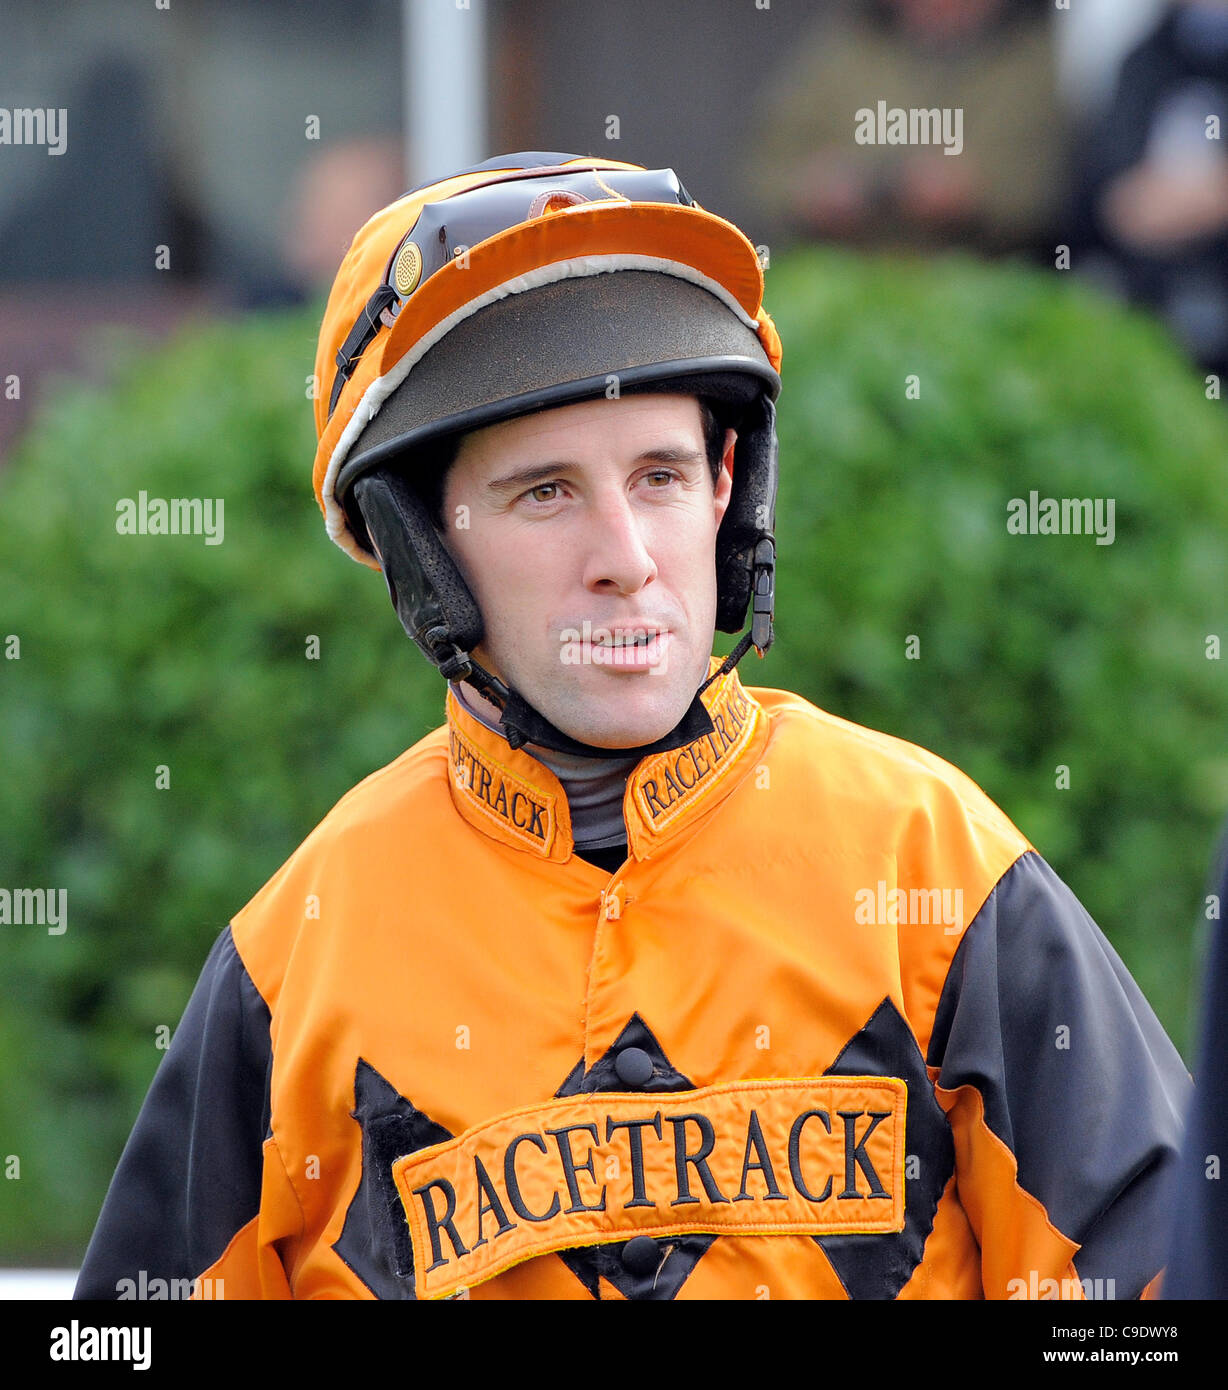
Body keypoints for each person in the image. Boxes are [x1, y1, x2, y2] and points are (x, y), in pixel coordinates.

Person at [75, 152, 1190, 1302]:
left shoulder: (936, 868)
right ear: (420, 545)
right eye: (544, 492)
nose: (626, 560)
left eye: (658, 475)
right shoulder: (297, 953)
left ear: (725, 490)